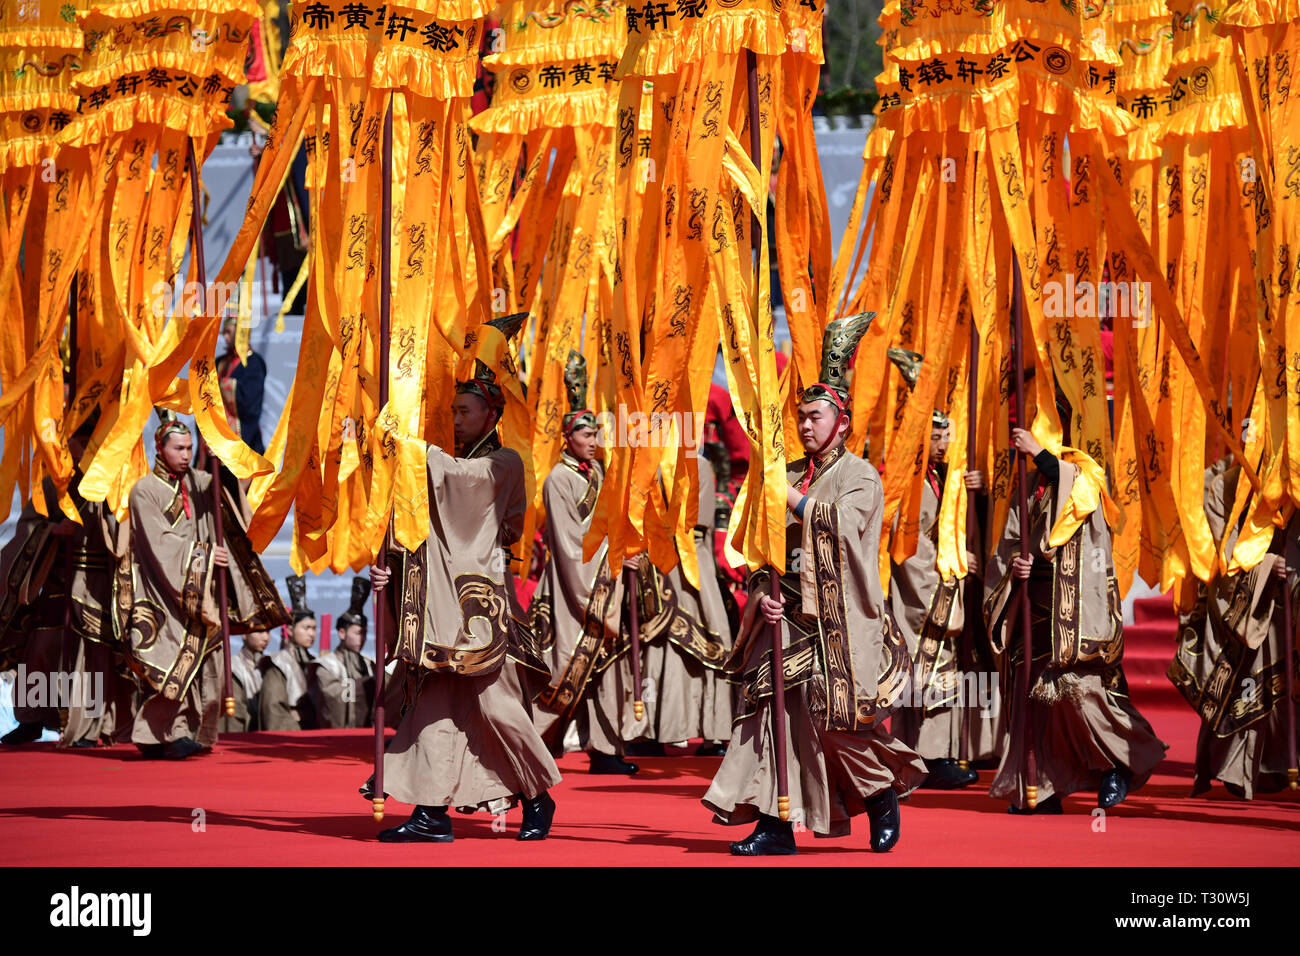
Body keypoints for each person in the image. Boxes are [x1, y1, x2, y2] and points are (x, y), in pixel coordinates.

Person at [702, 313, 928, 855]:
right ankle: (775, 823)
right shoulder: (790, 474)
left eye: (816, 417)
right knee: (770, 719)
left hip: (841, 620)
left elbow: (847, 530)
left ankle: (878, 794)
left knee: (837, 725)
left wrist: (795, 501)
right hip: (789, 620)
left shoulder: (859, 476)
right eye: (800, 417)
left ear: (842, 423)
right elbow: (763, 551)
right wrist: (763, 596)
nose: (805, 426)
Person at [368, 314, 561, 843]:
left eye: (464, 410)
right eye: (451, 410)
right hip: (437, 605)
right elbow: (416, 517)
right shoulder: (445, 462)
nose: (454, 419)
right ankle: (431, 812)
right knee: (432, 705)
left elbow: (467, 488)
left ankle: (537, 795)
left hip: (479, 608)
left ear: (491, 414)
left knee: (497, 706)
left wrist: (408, 448)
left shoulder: (503, 463)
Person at [984, 412, 1167, 812]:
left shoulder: (1085, 473)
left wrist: (1041, 456)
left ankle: (1118, 763)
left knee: (1083, 695)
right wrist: (1018, 565)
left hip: (1075, 611)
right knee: (1032, 703)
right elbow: (1012, 541)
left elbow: (1078, 502)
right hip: (1031, 608)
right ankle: (1042, 786)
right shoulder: (1027, 485)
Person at [127, 418, 288, 758]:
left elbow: (228, 504)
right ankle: (158, 736)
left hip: (203, 592)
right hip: (161, 589)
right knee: (171, 659)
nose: (185, 455)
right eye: (178, 449)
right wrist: (199, 555)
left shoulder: (201, 482)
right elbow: (158, 542)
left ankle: (194, 733)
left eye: (189, 448)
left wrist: (224, 456)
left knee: (207, 662)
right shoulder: (144, 490)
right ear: (160, 448)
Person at [530, 351, 642, 774]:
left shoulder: (598, 474)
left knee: (605, 668)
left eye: (596, 432)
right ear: (566, 438)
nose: (594, 440)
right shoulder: (559, 479)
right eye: (585, 433)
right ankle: (529, 745)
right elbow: (568, 541)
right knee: (565, 666)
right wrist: (611, 563)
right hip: (571, 585)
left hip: (603, 583)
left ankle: (606, 749)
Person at [0, 414, 135, 747]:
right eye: (81, 441)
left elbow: (125, 532)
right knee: (41, 649)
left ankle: (89, 725)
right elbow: (28, 529)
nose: (85, 448)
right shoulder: (52, 485)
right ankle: (33, 718)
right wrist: (50, 533)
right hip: (56, 582)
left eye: (93, 441)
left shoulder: (112, 485)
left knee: (91, 655)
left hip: (98, 582)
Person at [1168, 466, 1299, 798]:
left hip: (1284, 602)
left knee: (1280, 686)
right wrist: (1267, 566)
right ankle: (1235, 770)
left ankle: (1275, 766)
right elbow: (1221, 544)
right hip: (1250, 599)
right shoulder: (1231, 481)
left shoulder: (1293, 475)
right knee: (1243, 683)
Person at [888, 402, 998, 788]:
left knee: (945, 673)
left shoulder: (943, 479)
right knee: (925, 674)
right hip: (923, 591)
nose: (941, 445)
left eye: (944, 437)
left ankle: (934, 753)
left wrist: (978, 494)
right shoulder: (910, 484)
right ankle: (926, 757)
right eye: (934, 437)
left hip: (948, 585)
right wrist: (948, 561)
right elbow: (909, 546)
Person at [628, 453, 733, 757]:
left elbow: (699, 524)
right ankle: (656, 730)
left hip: (690, 560)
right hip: (662, 561)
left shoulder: (696, 463)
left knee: (708, 636)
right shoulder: (650, 461)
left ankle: (713, 732)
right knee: (660, 645)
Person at [311, 577, 376, 729]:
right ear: (341, 633)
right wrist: (366, 685)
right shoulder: (326, 665)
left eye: (365, 633)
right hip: (335, 735)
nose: (363, 638)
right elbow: (329, 696)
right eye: (358, 633)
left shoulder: (368, 663)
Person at [259, 575, 318, 731]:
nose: (311, 634)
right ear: (290, 630)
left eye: (314, 628)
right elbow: (273, 709)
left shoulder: (314, 662)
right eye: (306, 628)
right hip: (291, 732)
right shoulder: (278, 663)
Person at [215, 318, 268, 456]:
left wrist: (219, 385)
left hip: (244, 436)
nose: (224, 337)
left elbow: (249, 401)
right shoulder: (219, 362)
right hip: (217, 433)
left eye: (228, 332)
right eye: (224, 332)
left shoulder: (254, 362)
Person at [219, 629, 269, 733]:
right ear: (244, 634)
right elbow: (234, 717)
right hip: (243, 732)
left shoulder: (269, 665)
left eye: (268, 632)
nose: (266, 637)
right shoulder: (232, 666)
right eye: (259, 631)